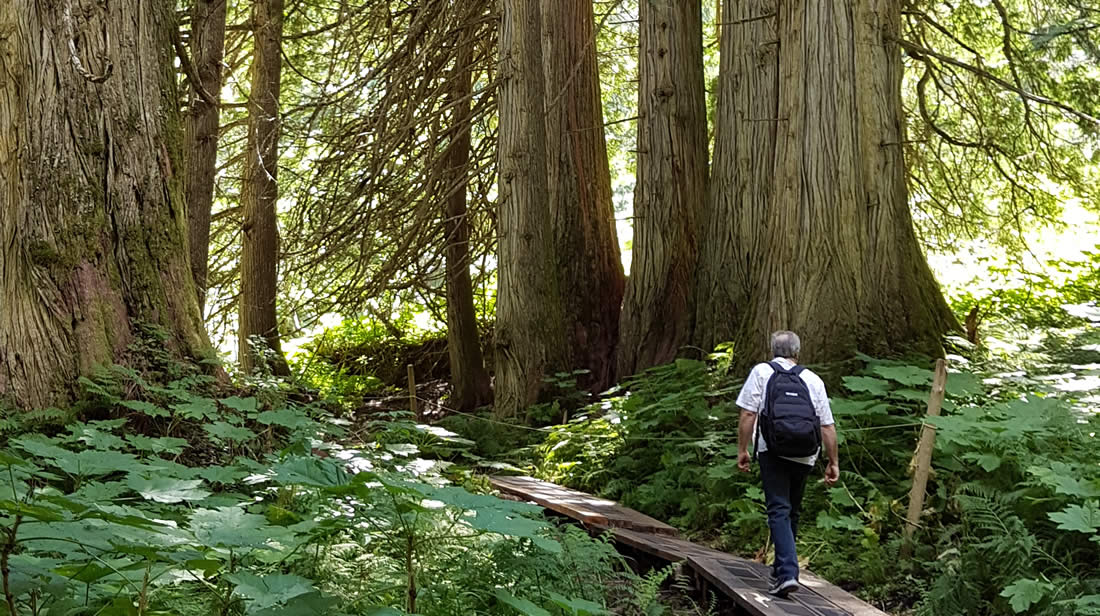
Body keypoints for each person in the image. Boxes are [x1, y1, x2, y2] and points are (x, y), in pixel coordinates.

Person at [736, 330, 839, 598]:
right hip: (806, 453)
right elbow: (826, 426)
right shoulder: (812, 379)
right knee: (791, 510)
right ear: (797, 352)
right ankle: (783, 568)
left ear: (772, 350)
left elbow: (748, 413)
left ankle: (787, 573)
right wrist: (833, 462)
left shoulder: (761, 372)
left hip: (773, 449)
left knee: (778, 509)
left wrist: (743, 449)